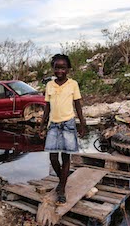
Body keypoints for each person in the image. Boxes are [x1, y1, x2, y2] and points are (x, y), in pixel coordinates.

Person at [42, 54, 87, 204]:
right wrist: (42, 125)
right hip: (53, 125)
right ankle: (63, 181)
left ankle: (61, 188)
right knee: (53, 157)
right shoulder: (49, 85)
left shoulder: (73, 84)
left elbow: (78, 105)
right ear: (53, 68)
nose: (59, 70)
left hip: (68, 124)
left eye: (63, 67)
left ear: (68, 69)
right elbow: (47, 107)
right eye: (57, 67)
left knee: (66, 157)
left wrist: (82, 123)